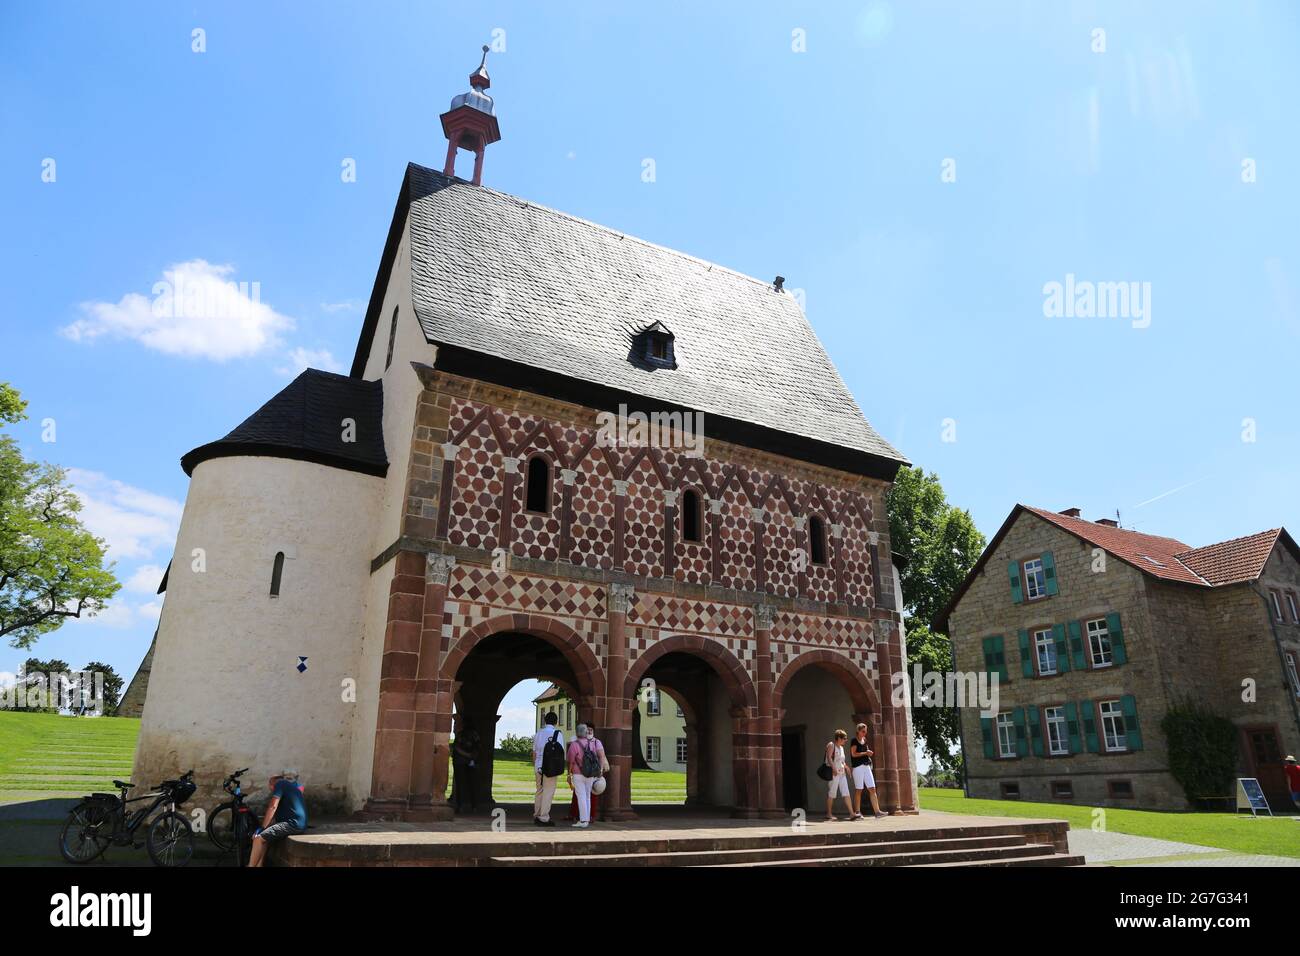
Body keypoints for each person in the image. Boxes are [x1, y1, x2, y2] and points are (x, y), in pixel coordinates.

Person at [248, 769, 307, 867]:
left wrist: (262, 827)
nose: (271, 789)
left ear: (272, 784)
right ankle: (259, 865)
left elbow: (272, 807)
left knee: (258, 839)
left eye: (270, 786)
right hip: (298, 823)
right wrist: (264, 828)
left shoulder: (280, 785)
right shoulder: (290, 787)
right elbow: (276, 816)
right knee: (264, 837)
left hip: (293, 824)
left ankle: (251, 865)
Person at [567, 721, 608, 828]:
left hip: (578, 773)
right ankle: (587, 819)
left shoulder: (575, 744)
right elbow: (601, 756)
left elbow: (570, 761)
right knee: (587, 797)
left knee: (581, 797)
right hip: (591, 773)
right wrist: (600, 770)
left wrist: (568, 774)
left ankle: (583, 820)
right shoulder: (594, 743)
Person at [849, 723, 887, 820]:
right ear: (858, 731)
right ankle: (857, 812)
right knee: (859, 790)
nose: (865, 733)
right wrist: (866, 753)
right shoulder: (854, 740)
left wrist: (868, 753)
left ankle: (877, 812)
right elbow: (853, 754)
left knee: (872, 788)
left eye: (865, 731)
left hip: (866, 767)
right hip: (857, 767)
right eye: (863, 731)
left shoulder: (864, 740)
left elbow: (865, 751)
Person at [533, 711, 565, 826]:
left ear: (545, 721)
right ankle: (544, 817)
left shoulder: (538, 734)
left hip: (538, 766)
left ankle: (536, 814)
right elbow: (561, 753)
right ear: (556, 722)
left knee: (539, 791)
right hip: (551, 767)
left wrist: (536, 765)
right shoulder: (558, 734)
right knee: (548, 792)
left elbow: (534, 753)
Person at [452, 722, 482, 814]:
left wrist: (467, 755)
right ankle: (474, 806)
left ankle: (461, 806)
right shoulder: (475, 735)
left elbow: (456, 747)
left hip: (460, 761)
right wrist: (472, 756)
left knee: (460, 784)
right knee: (473, 784)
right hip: (469, 761)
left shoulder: (461, 734)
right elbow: (479, 747)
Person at [824, 729, 854, 821]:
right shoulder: (831, 745)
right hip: (834, 773)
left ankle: (852, 813)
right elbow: (829, 758)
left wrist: (846, 767)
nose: (846, 740)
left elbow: (842, 761)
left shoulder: (841, 748)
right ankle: (829, 814)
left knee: (846, 792)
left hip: (841, 773)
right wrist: (833, 768)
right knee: (832, 793)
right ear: (839, 738)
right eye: (844, 738)